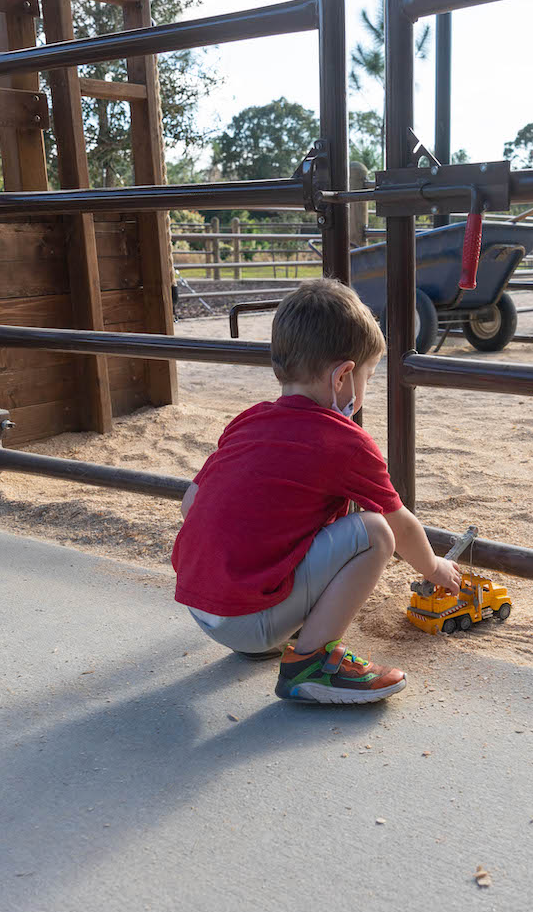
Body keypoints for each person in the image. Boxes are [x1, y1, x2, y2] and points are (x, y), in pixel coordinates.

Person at [171, 279, 463, 704]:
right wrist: (435, 568)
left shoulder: (249, 420)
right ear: (344, 376)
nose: (363, 391)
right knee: (374, 531)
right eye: (367, 377)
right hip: (247, 621)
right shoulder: (345, 442)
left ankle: (268, 631)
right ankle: (309, 664)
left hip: (203, 611)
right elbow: (398, 524)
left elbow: (190, 504)